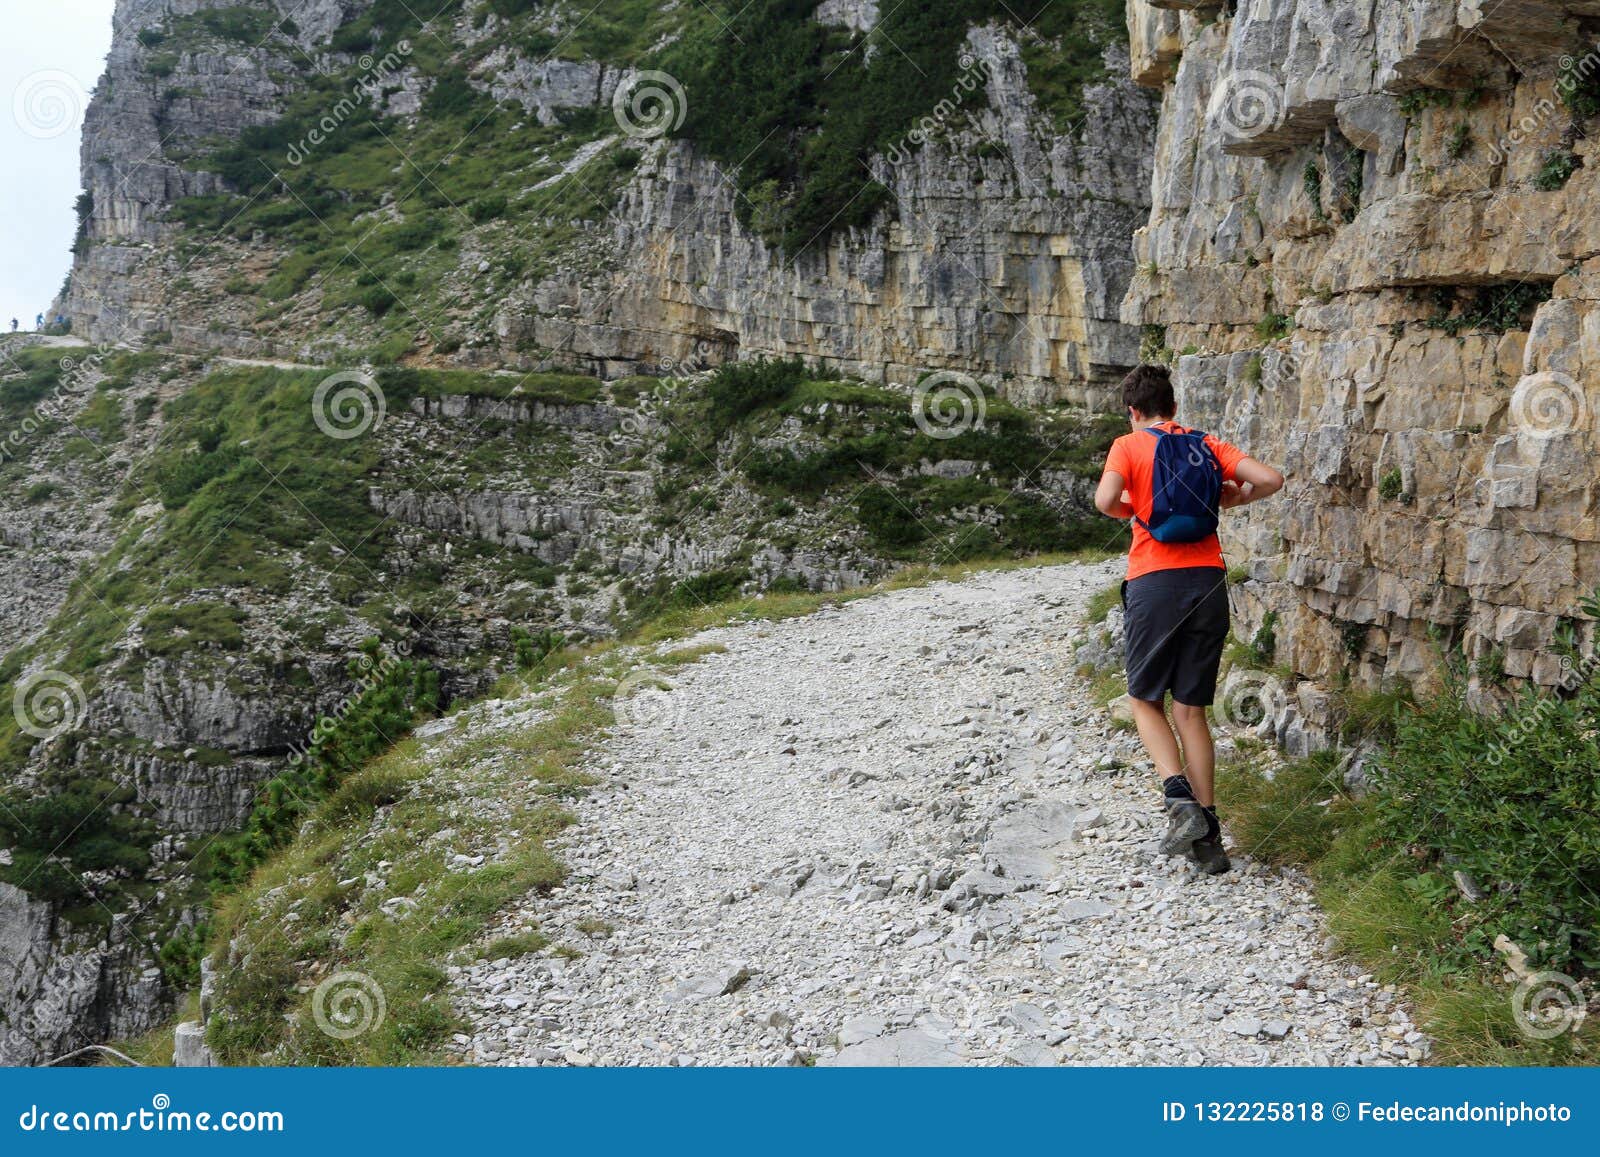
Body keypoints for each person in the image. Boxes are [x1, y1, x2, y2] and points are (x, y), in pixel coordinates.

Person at [1094, 364, 1284, 875]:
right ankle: (1211, 842)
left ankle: (1177, 797)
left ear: (1133, 411)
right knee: (1192, 711)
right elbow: (1271, 478)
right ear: (1174, 407)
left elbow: (1104, 501)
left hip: (1154, 584)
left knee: (1143, 698)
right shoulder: (1206, 444)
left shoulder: (1128, 446)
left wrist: (1137, 509)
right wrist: (1239, 497)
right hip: (1207, 584)